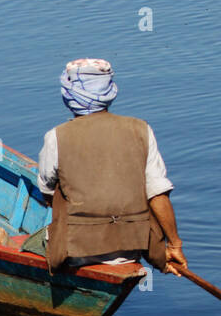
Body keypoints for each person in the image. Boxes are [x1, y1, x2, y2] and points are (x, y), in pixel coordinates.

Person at [35, 58, 187, 277]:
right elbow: (157, 194)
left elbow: (47, 189)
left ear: (69, 95)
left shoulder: (56, 137)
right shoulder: (141, 130)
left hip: (77, 251)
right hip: (132, 247)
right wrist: (174, 245)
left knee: (40, 226)